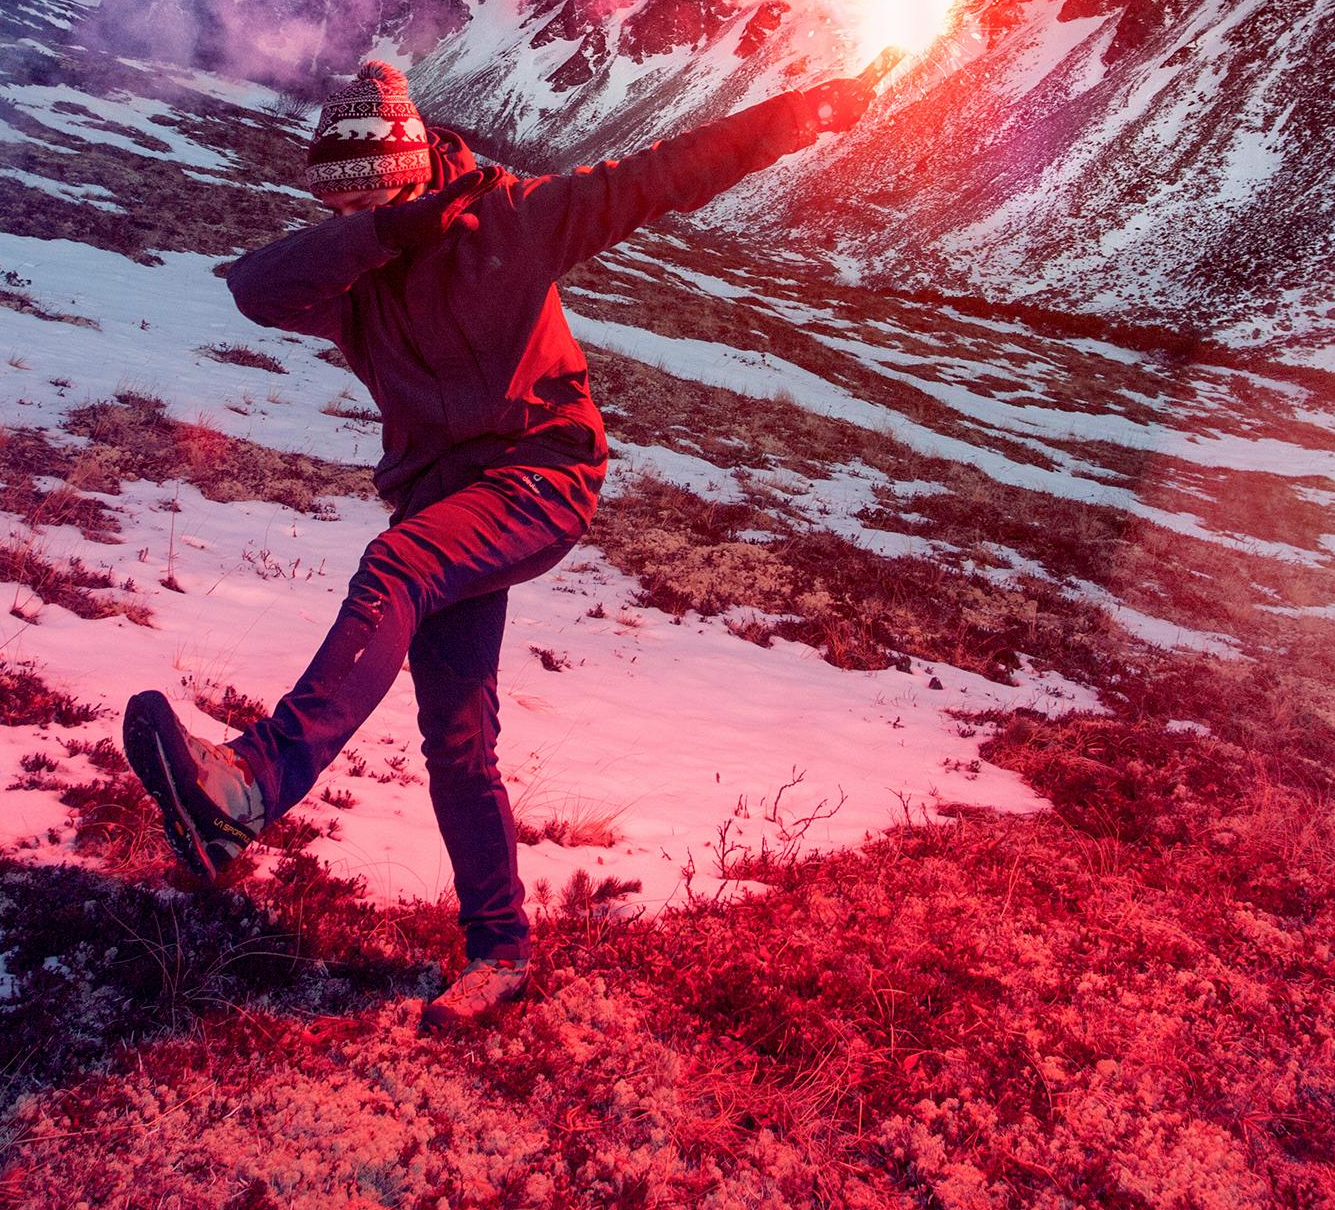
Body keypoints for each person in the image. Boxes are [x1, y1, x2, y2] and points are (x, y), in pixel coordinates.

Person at [121, 55, 877, 1029]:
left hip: (539, 471)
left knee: (400, 565)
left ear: (413, 168)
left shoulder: (510, 219)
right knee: (458, 735)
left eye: (371, 198)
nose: (354, 222)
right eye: (341, 207)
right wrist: (381, 232)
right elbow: (252, 286)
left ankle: (255, 781)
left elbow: (665, 172)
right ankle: (502, 950)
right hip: (441, 494)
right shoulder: (357, 264)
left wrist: (801, 107)